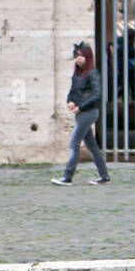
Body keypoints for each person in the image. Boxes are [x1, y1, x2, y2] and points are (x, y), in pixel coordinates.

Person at [52, 43, 112, 186]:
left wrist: (81, 107)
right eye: (77, 56)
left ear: (88, 57)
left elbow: (97, 94)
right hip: (80, 112)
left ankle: (67, 176)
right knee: (92, 146)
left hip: (88, 112)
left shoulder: (92, 73)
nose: (79, 59)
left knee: (74, 143)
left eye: (82, 56)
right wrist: (70, 101)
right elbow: (73, 91)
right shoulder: (77, 73)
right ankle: (104, 176)